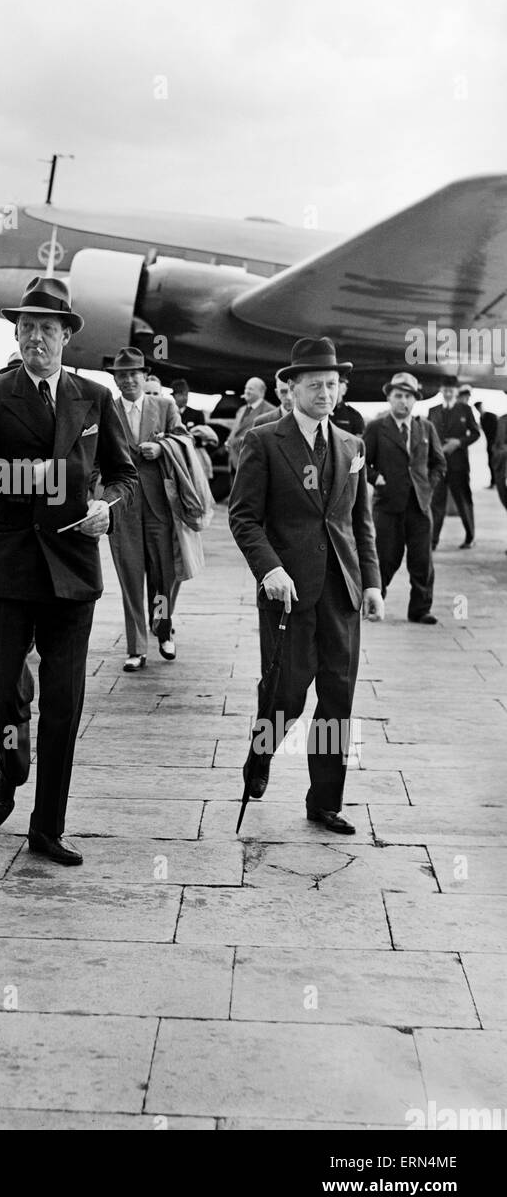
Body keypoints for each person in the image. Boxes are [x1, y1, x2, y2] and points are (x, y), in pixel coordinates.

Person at [0, 277, 138, 866]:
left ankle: (47, 826)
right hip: (7, 565)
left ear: (66, 337)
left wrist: (107, 507)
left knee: (65, 703)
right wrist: (43, 481)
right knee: (1, 696)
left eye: (46, 330)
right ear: (17, 334)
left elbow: (125, 474)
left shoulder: (94, 397)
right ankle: (11, 762)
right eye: (26, 328)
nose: (36, 339)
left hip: (74, 570)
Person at [228, 337, 384, 836]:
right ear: (290, 387)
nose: (325, 392)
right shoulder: (263, 440)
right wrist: (269, 569)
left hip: (342, 593)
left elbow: (360, 524)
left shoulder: (352, 445)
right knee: (285, 696)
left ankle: (324, 801)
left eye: (332, 384)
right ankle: (261, 754)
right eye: (314, 383)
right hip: (287, 594)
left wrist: (373, 582)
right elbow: (244, 518)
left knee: (337, 699)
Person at [107, 347, 181, 670]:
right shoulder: (107, 409)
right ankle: (136, 647)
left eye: (134, 374)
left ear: (145, 376)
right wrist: (102, 497)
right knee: (130, 576)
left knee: (162, 577)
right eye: (122, 375)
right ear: (116, 380)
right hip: (123, 506)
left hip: (159, 507)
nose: (128, 380)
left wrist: (161, 447)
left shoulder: (164, 406)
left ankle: (163, 630)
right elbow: (95, 455)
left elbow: (185, 440)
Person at [363, 373, 445, 625]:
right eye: (398, 396)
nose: (403, 401)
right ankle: (376, 603)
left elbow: (439, 464)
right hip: (388, 505)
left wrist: (427, 487)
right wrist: (376, 479)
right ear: (389, 398)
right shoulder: (377, 428)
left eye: (408, 396)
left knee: (422, 560)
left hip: (419, 506)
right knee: (385, 557)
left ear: (414, 400)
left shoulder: (426, 427)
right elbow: (362, 462)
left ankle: (420, 609)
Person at [428, 381, 480, 548]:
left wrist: (458, 442)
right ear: (441, 390)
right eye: (446, 389)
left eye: (451, 389)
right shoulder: (433, 411)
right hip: (438, 465)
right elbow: (428, 436)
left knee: (464, 502)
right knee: (436, 503)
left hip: (459, 465)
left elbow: (475, 433)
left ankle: (470, 537)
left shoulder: (466, 410)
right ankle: (432, 541)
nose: (448, 392)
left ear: (456, 391)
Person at [226, 377, 277, 478]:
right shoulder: (241, 410)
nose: (247, 391)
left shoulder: (271, 412)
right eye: (246, 388)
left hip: (252, 465)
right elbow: (236, 431)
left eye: (251, 389)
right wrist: (229, 441)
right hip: (234, 462)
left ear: (261, 392)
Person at [476, 401, 499, 488]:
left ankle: (497, 482)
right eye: (478, 408)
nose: (480, 409)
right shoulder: (481, 418)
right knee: (490, 463)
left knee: (497, 464)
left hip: (495, 444)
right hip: (489, 444)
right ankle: (494, 482)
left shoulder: (491, 416)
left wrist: (496, 444)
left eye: (480, 407)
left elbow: (498, 431)